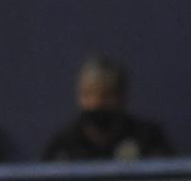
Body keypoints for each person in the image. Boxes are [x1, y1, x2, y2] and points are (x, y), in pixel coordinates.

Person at [41, 57, 175, 162]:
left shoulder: (147, 138)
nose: (96, 103)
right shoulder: (64, 146)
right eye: (88, 95)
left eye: (106, 96)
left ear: (122, 96)